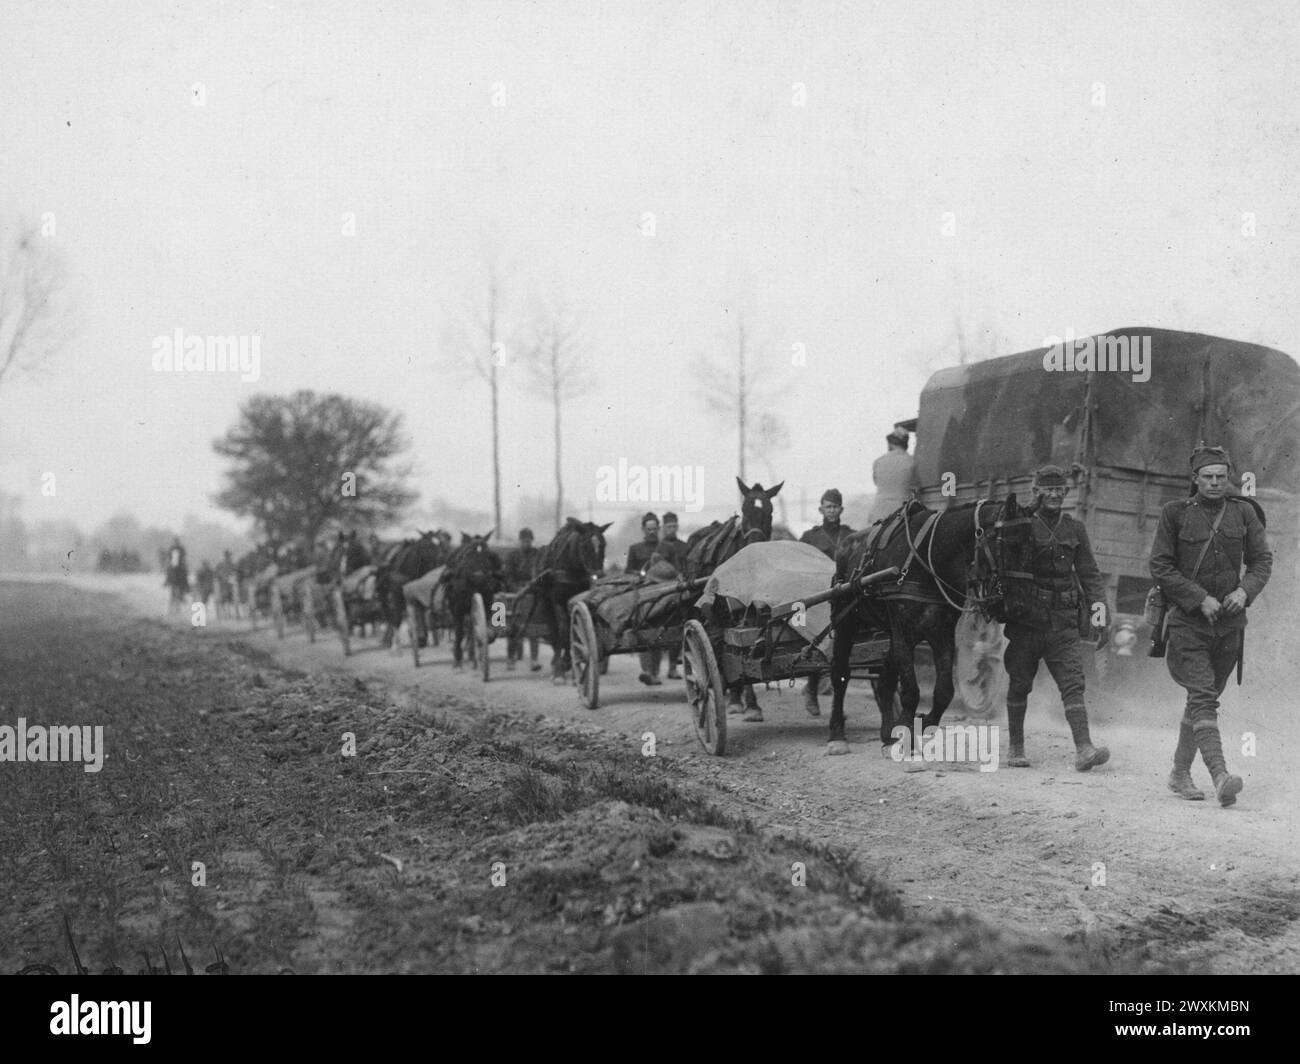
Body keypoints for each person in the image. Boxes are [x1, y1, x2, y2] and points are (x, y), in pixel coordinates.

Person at [1149, 444, 1271, 806]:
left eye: (1221, 476)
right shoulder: (1174, 513)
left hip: (1229, 626)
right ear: (1195, 479)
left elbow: (1262, 561)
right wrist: (1198, 597)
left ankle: (1179, 773)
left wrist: (1244, 592)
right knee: (1203, 697)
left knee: (1203, 699)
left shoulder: (1244, 513)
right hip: (1188, 622)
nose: (1215, 483)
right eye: (1208, 477)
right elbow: (1160, 565)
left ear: (1229, 477)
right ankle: (1220, 775)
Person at [1001, 465, 1110, 771]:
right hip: (1028, 620)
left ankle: (1084, 748)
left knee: (1073, 683)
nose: (1053, 495)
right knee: (1020, 682)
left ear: (1066, 492)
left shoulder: (1074, 528)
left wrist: (1100, 613)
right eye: (1046, 490)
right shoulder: (1021, 526)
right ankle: (1016, 747)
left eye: (1058, 490)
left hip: (1063, 620)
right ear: (1035, 492)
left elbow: (1089, 573)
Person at [799, 489, 855, 716]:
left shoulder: (850, 536)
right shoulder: (810, 537)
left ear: (841, 509)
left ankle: (834, 702)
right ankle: (811, 690)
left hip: (844, 598)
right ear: (821, 510)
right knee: (818, 642)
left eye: (835, 507)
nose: (832, 511)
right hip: (819, 599)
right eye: (828, 507)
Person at [626, 512, 664, 685]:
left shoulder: (665, 547)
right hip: (643, 594)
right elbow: (628, 571)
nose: (652, 532)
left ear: (658, 529)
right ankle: (648, 671)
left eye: (654, 529)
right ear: (643, 529)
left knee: (660, 631)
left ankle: (655, 671)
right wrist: (640, 574)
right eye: (649, 529)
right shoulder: (635, 549)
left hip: (663, 593)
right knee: (643, 629)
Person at [504, 528, 542, 671]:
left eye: (529, 540)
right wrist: (516, 589)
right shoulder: (512, 556)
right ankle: (510, 659)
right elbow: (508, 576)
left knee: (535, 628)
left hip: (533, 591)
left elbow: (540, 573)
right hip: (515, 593)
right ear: (520, 541)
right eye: (524, 540)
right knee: (512, 628)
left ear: (531, 541)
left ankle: (534, 659)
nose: (526, 543)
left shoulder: (537, 554)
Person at [657, 512, 687, 679]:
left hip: (682, 590)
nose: (672, 529)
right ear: (663, 527)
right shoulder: (659, 547)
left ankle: (673, 667)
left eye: (674, 526)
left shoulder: (684, 546)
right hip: (663, 590)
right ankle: (658, 669)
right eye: (669, 526)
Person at [869, 428, 920, 523]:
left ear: (891, 443)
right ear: (906, 444)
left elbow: (876, 482)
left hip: (878, 512)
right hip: (903, 514)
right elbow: (917, 485)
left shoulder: (878, 461)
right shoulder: (912, 462)